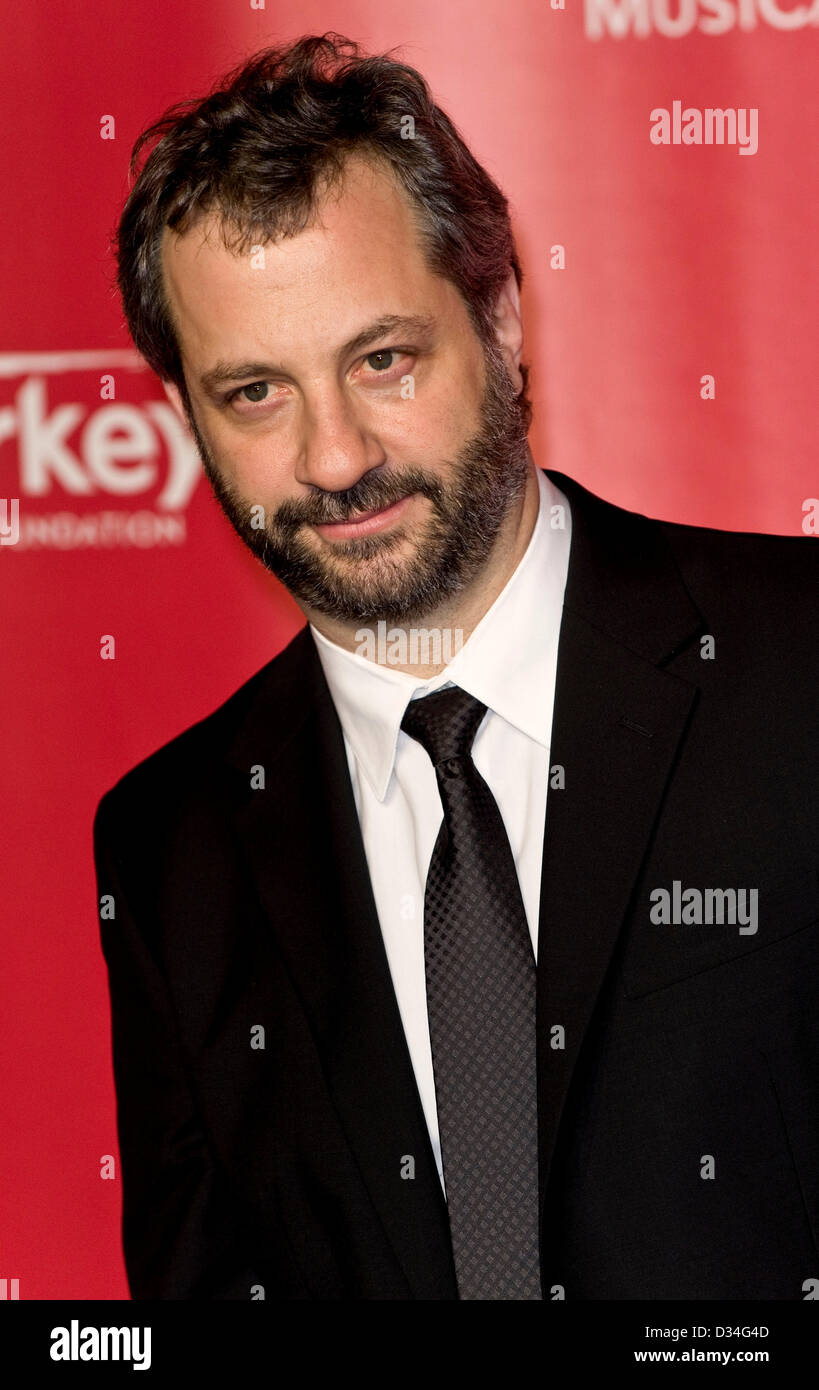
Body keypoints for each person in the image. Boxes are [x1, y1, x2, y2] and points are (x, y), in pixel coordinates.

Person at [94, 33, 819, 1301]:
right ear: (185, 415)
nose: (332, 457)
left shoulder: (796, 667)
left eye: (383, 360)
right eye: (256, 392)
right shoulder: (175, 847)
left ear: (499, 315)